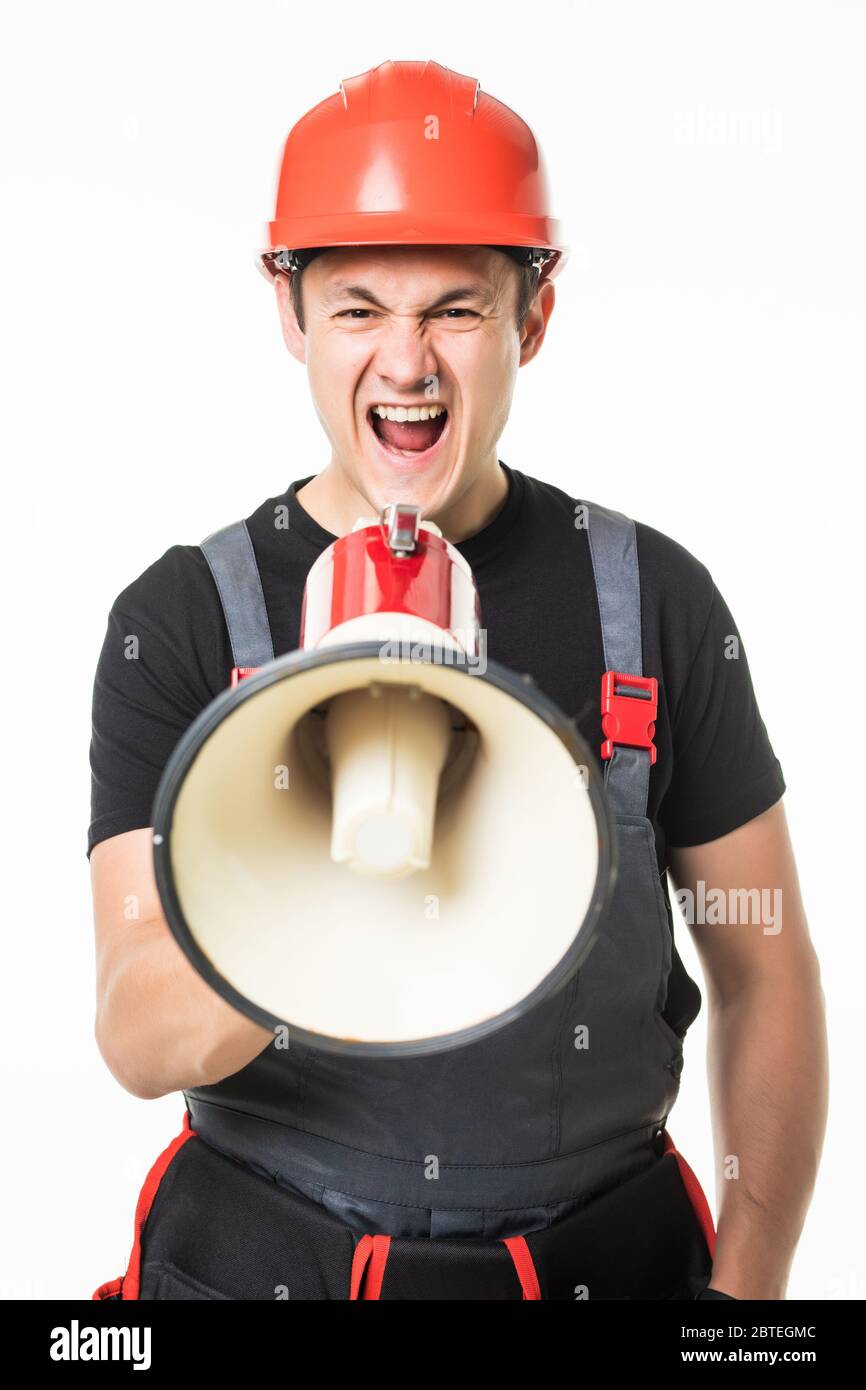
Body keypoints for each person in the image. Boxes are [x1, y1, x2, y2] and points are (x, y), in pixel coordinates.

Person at [89, 59, 827, 1302]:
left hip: (604, 1262)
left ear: (532, 317)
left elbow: (765, 966)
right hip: (267, 1263)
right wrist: (335, 852)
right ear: (291, 313)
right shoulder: (176, 619)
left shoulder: (654, 603)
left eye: (456, 310)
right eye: (359, 307)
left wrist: (743, 1300)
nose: (406, 362)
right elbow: (136, 1036)